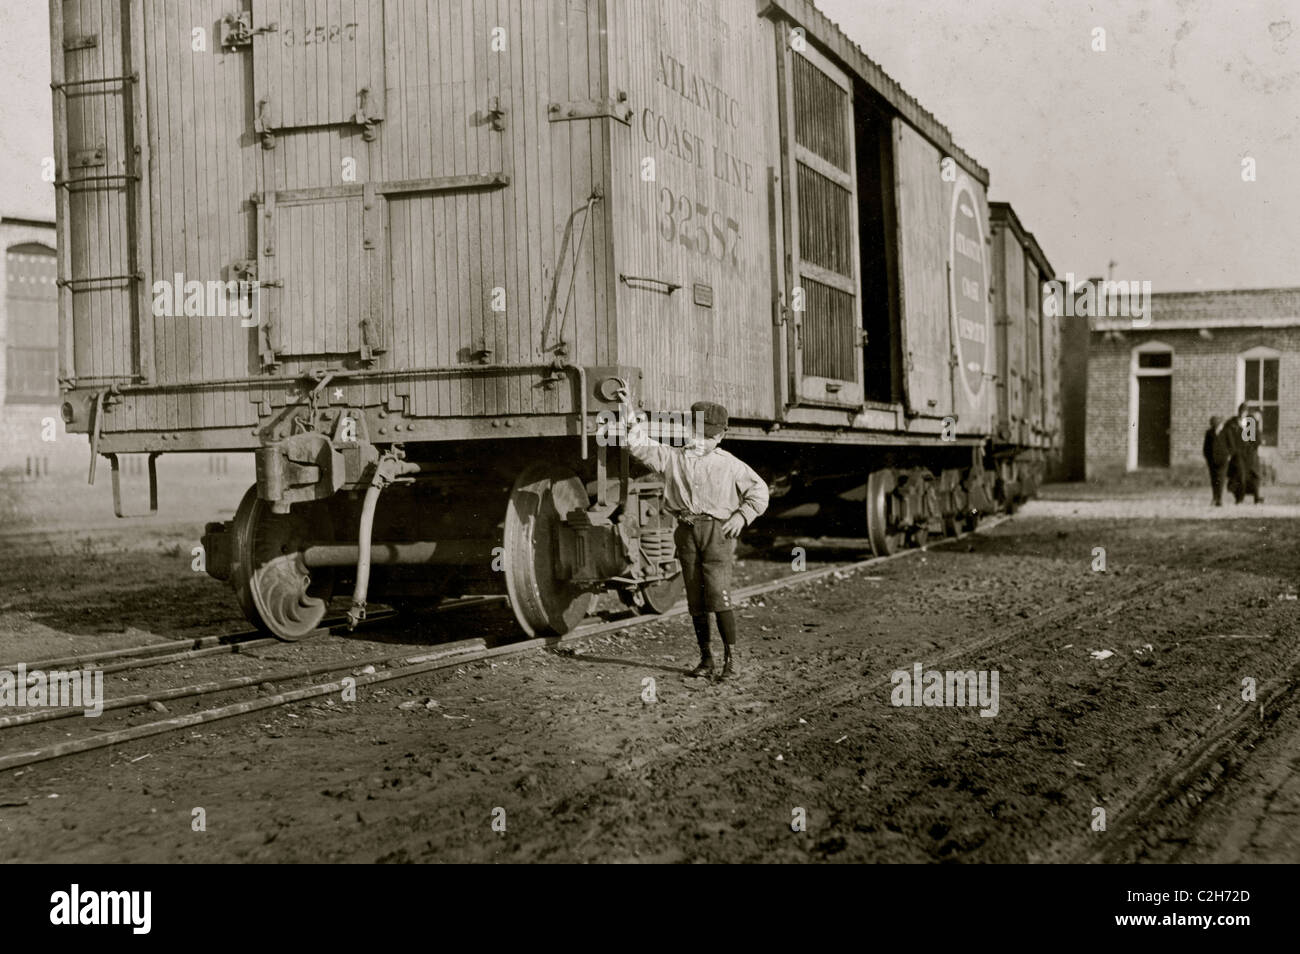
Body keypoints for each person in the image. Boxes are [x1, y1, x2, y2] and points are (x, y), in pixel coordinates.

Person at [624, 399, 769, 682]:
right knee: (695, 598)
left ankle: (732, 660)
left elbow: (759, 492)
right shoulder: (672, 457)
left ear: (722, 436)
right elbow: (639, 444)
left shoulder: (730, 465)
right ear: (689, 430)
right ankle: (706, 659)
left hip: (717, 534)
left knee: (719, 594)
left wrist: (742, 516)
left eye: (710, 436)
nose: (702, 441)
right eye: (698, 433)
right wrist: (629, 410)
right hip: (686, 532)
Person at [1230, 402, 1264, 504]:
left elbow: (1255, 440)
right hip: (1238, 454)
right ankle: (1239, 498)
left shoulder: (1250, 423)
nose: (1242, 414)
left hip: (1250, 454)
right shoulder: (1233, 422)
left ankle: (1256, 497)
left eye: (1244, 412)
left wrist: (1251, 448)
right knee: (1239, 475)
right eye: (1241, 412)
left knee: (1254, 475)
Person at [1202, 415, 1232, 506]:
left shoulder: (1226, 432)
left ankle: (1219, 499)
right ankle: (1214, 497)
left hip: (1223, 460)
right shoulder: (1209, 433)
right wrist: (1207, 458)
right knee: (1214, 479)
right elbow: (1205, 448)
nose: (1216, 427)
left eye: (1217, 425)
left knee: (1221, 479)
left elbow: (1232, 446)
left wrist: (1229, 456)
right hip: (1212, 460)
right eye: (1214, 425)